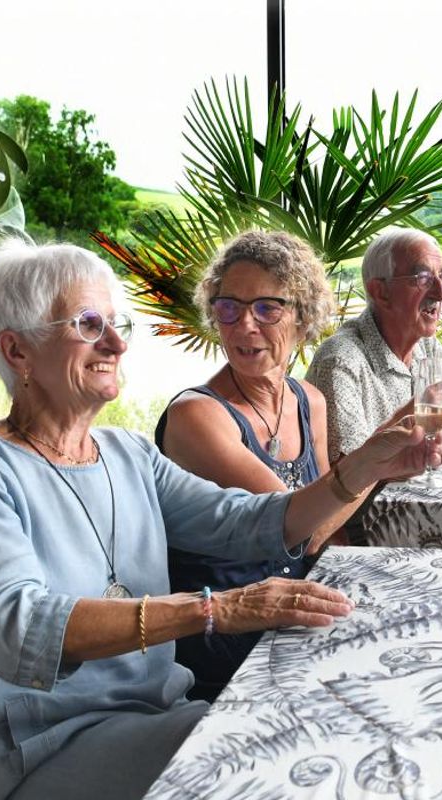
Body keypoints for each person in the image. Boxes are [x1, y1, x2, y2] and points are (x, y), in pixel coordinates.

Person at [0, 241, 442, 800]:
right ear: (17, 351)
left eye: (117, 324)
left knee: (335, 721)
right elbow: (18, 628)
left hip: (157, 715)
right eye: (88, 324)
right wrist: (217, 608)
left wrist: (365, 464)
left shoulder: (127, 454)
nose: (116, 343)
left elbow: (251, 522)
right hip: (35, 747)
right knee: (291, 753)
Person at [154, 230, 339, 701]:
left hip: (289, 612)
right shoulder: (197, 415)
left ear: (303, 316)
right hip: (224, 639)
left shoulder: (308, 401)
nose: (244, 325)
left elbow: (323, 536)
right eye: (229, 307)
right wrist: (384, 459)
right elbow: (301, 531)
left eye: (267, 308)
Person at [307, 227, 442, 464]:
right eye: (423, 279)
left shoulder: (428, 346)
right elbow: (348, 477)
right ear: (381, 292)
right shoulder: (340, 362)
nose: (441, 294)